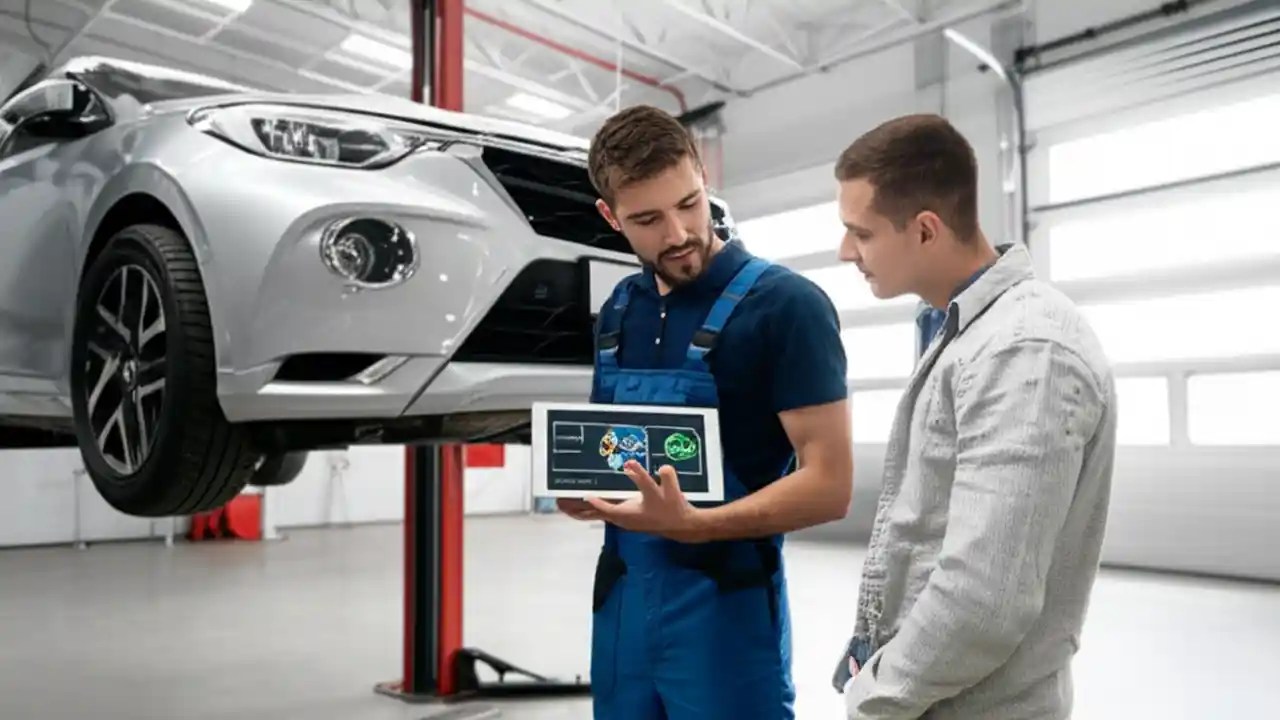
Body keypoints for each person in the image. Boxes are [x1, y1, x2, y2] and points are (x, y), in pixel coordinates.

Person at [556, 104, 856, 720]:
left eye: (689, 203)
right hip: (621, 604)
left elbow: (830, 487)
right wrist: (583, 489)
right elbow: (611, 453)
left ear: (703, 175)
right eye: (647, 218)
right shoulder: (618, 310)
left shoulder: (787, 306)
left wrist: (698, 524)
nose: (678, 233)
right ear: (610, 217)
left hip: (727, 606)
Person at [830, 113, 1117, 719]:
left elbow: (986, 597)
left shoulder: (1024, 350)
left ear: (926, 230)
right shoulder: (961, 328)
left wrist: (873, 699)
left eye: (862, 233)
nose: (845, 251)